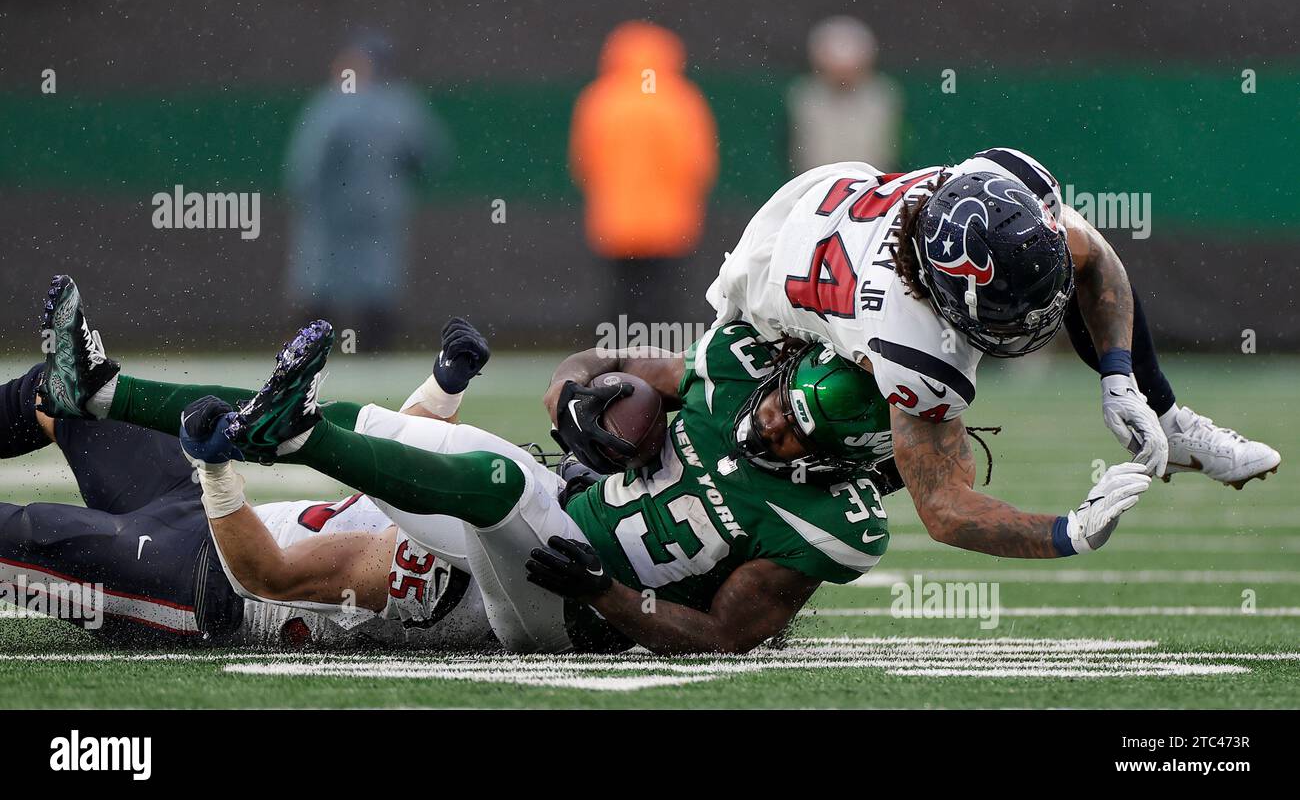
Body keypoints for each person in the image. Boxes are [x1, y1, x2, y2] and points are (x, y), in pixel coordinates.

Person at [35, 272, 1153, 656]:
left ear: (850, 454)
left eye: (793, 436)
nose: (768, 427)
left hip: (576, 608)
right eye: (774, 406)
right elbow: (596, 364)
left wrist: (609, 592)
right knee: (461, 453)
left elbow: (722, 635)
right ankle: (110, 395)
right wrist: (579, 400)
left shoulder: (832, 527)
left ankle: (287, 429)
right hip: (557, 506)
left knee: (489, 483)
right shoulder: (729, 375)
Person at [705, 146, 1279, 558]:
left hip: (837, 198)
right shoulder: (912, 347)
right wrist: (1070, 531)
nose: (1040, 320)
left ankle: (1171, 425)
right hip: (768, 292)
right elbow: (945, 507)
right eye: (1012, 313)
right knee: (837, 408)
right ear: (948, 305)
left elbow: (1095, 258)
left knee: (1064, 271)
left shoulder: (998, 188)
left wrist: (1121, 378)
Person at [9, 278, 490, 648]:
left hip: (205, 586)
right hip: (203, 517)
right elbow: (405, 468)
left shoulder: (432, 576)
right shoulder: (481, 535)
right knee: (56, 399)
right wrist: (443, 392)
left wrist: (214, 471)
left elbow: (267, 574)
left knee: (27, 533)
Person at [284, 32, 452, 351]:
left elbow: (306, 165)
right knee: (377, 282)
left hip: (331, 212)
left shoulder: (332, 103)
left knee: (319, 281)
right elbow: (429, 157)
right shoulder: (402, 105)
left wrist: (307, 196)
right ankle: (374, 351)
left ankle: (306, 354)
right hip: (380, 210)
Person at [570, 21, 718, 324]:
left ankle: (616, 357)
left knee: (621, 295)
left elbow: (583, 161)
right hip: (669, 220)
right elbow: (698, 162)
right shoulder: (681, 100)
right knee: (664, 297)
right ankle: (658, 358)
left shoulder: (600, 99)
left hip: (615, 219)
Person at [787, 16, 903, 173]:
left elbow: (892, 151)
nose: (843, 75)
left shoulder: (883, 96)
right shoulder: (804, 97)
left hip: (874, 187)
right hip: (816, 186)